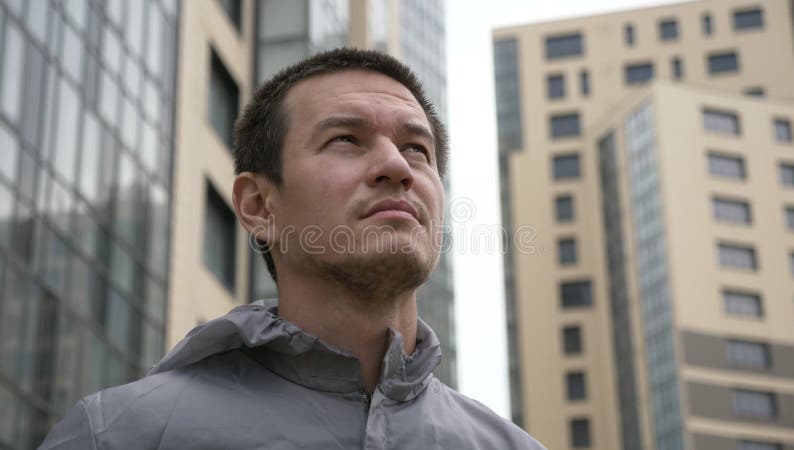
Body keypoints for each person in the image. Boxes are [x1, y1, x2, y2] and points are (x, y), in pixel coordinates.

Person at [40, 48, 545, 449]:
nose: (398, 166)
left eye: (417, 149)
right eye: (346, 139)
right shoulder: (117, 435)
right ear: (259, 205)